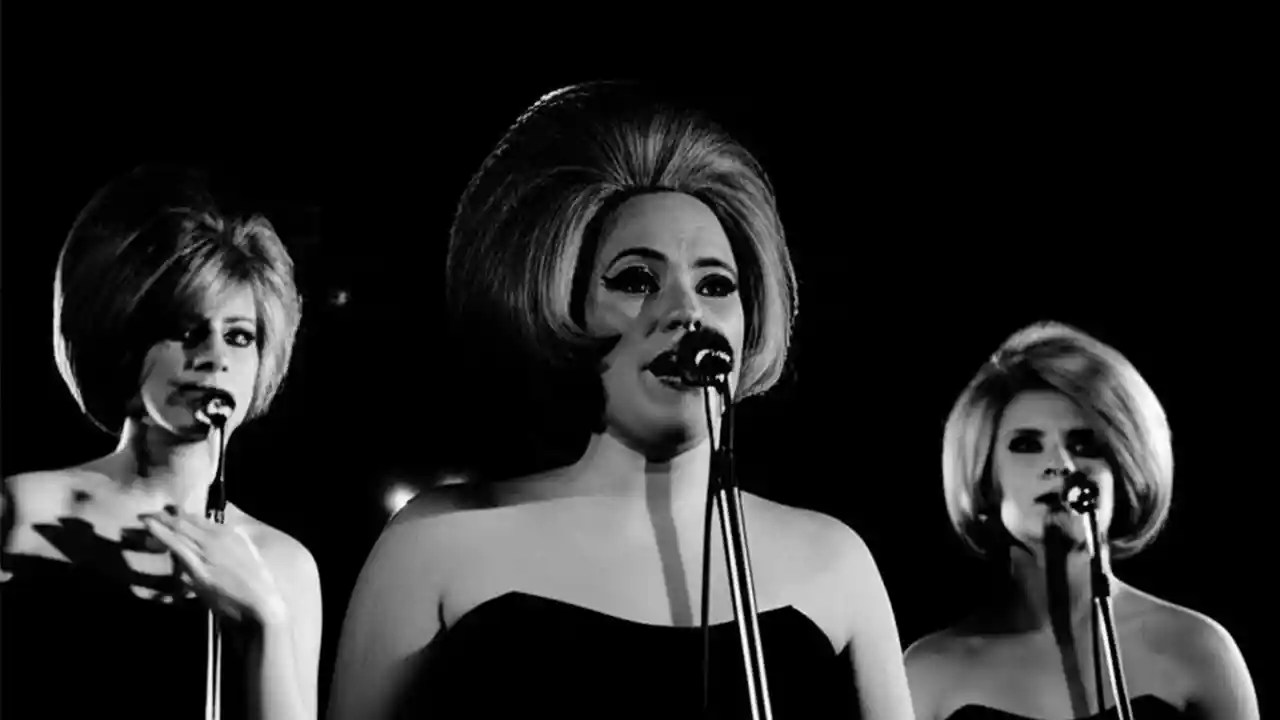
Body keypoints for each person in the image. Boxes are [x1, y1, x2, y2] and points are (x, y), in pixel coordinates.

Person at [328, 81, 914, 719]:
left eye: (716, 284)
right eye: (638, 279)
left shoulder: (835, 563)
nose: (686, 310)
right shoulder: (436, 545)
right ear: (564, 303)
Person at [0, 165, 322, 719]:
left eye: (239, 336)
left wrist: (265, 620)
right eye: (187, 329)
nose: (215, 357)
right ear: (128, 336)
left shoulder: (282, 565)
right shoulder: (22, 511)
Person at [905, 321, 1258, 720]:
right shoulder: (927, 673)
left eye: (1084, 444)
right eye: (1026, 444)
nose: (1061, 464)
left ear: (1125, 470)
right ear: (985, 477)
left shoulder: (1198, 649)